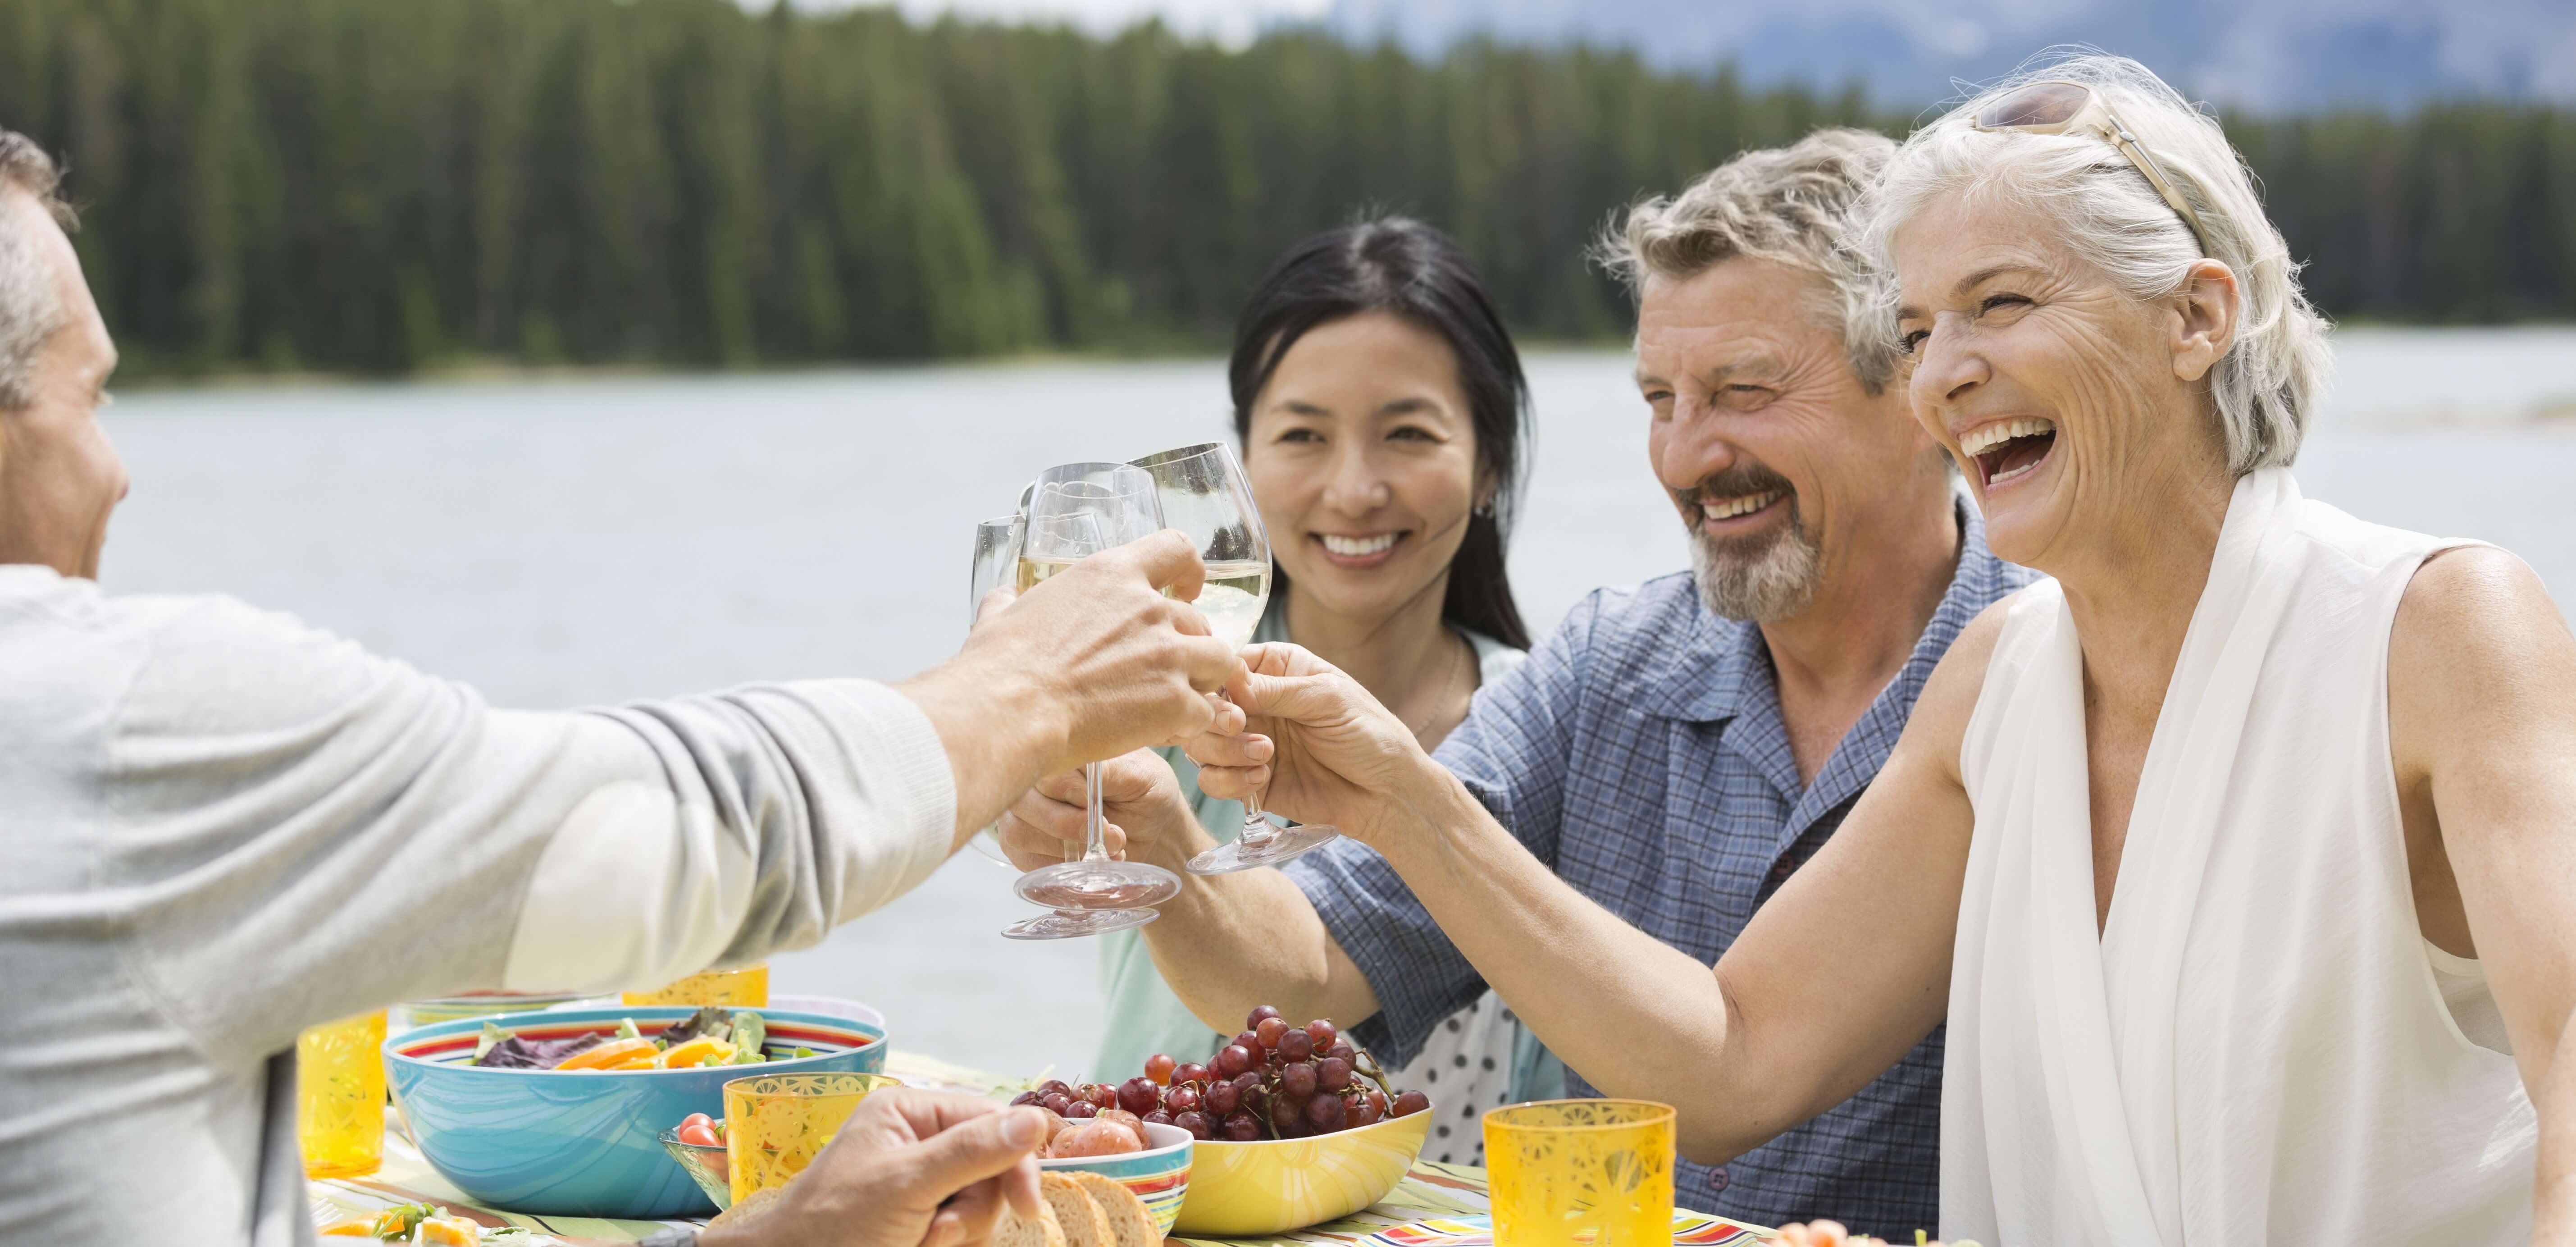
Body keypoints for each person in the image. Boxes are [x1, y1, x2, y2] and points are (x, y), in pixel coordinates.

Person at [1183, 54, 2576, 1244]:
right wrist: (1401, 802)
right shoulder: (1998, 689)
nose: (1941, 377)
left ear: (2196, 318)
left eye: (2003, 303)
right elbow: (1734, 1060)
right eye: (1916, 332)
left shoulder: (2442, 628)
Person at [0, 127, 1242, 1247]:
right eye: (93, 398)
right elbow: (670, 836)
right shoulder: (109, 718)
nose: (119, 476)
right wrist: (1026, 685)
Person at [1006, 130, 2037, 1236]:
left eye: (1744, 391)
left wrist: (1409, 800)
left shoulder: (2050, 670)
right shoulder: (1602, 668)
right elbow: (1308, 971)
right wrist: (1161, 833)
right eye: (1659, 400)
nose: (1688, 458)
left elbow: (1741, 1075)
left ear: (1920, 388)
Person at [998, 218, 1562, 1162]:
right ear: (1244, 465)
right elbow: (981, 791)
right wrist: (1021, 778)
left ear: (1489, 465)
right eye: (1304, 434)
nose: (1354, 489)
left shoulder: (1549, 722)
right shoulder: (1163, 674)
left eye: (1408, 433)